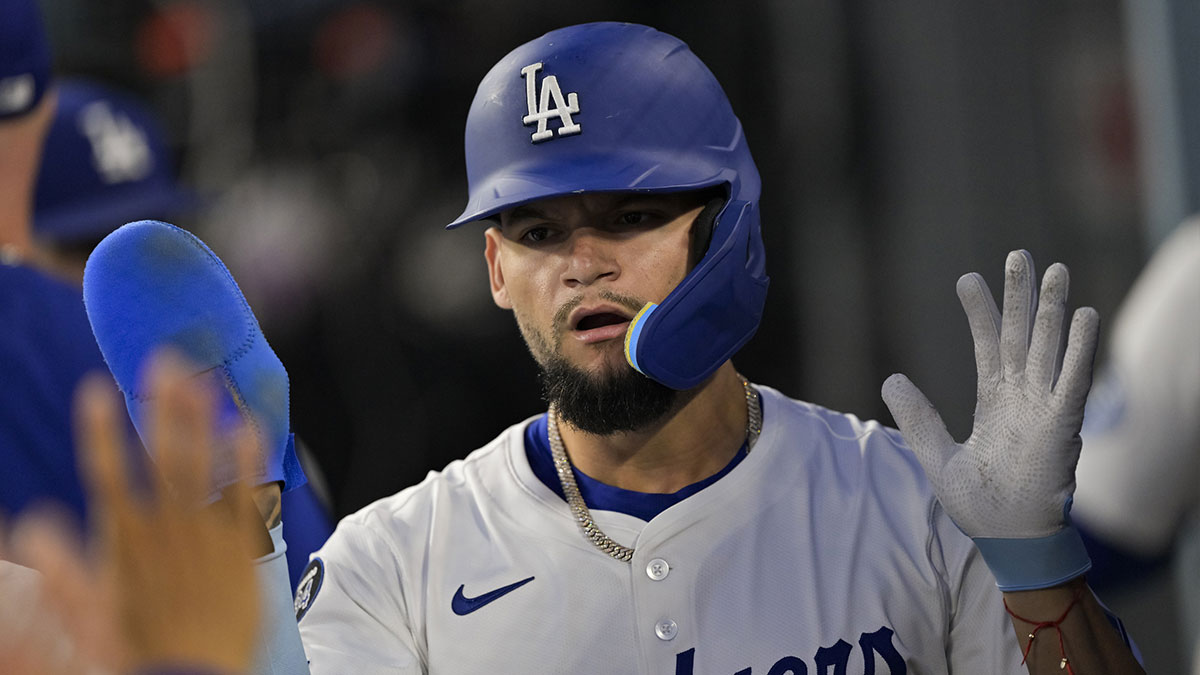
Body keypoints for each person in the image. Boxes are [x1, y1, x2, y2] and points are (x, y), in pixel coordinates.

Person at [78, 21, 1143, 674]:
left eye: (629, 216)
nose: (581, 263)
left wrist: (1036, 568)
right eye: (538, 233)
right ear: (495, 270)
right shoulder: (395, 564)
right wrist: (243, 554)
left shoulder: (911, 506)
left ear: (726, 230)